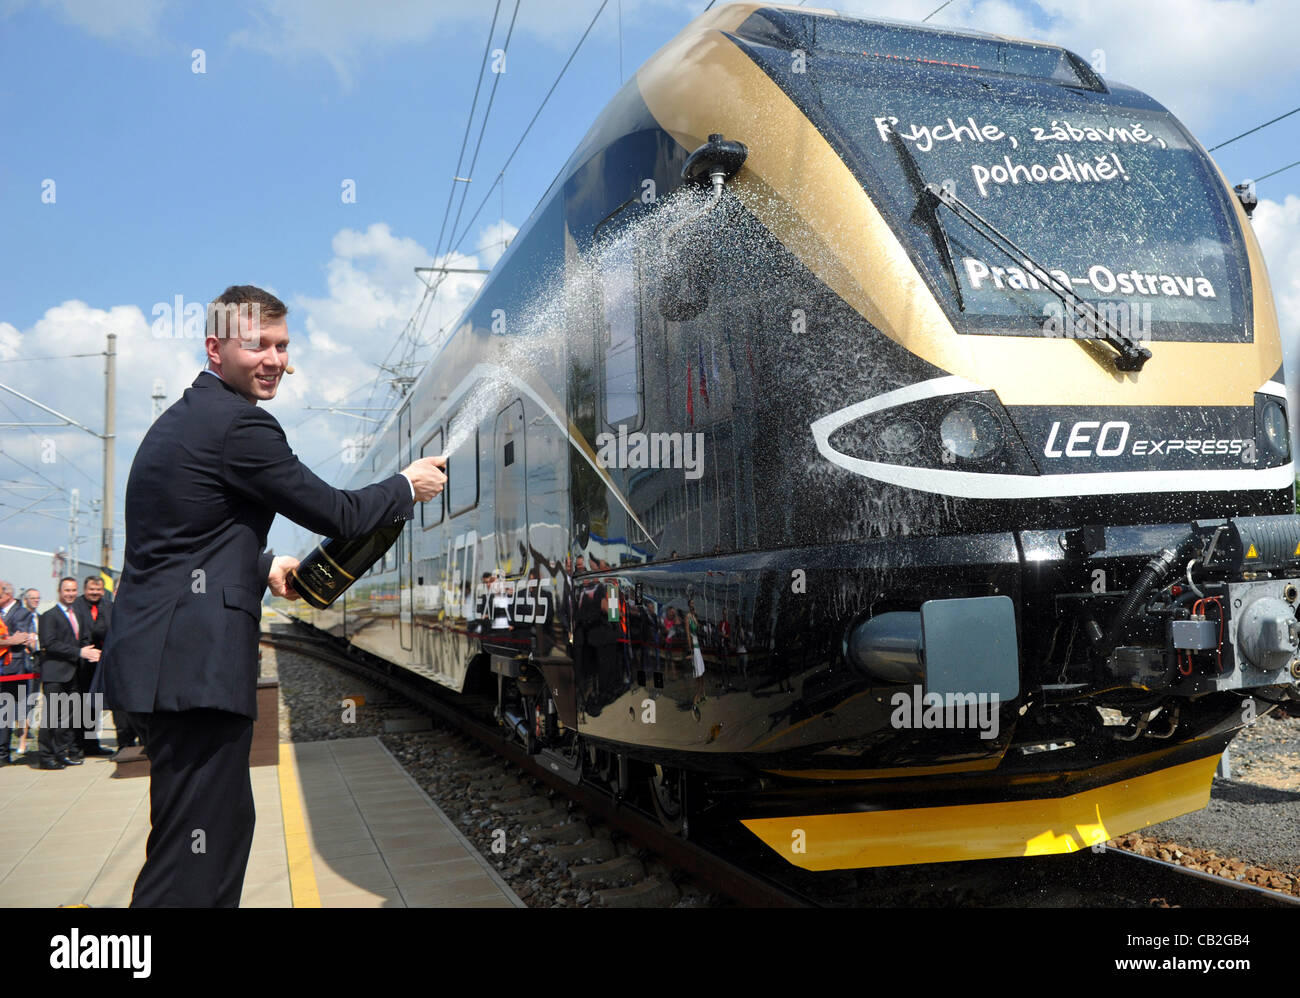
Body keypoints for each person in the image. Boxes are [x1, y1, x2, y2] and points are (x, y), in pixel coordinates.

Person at [97, 285, 446, 908]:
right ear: (215, 347)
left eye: (283, 346)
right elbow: (339, 513)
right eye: (257, 344)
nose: (275, 359)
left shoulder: (185, 419)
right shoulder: (240, 425)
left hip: (166, 664)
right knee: (195, 854)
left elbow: (182, 537)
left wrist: (260, 566)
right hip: (193, 669)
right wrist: (406, 485)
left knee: (206, 835)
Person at [38, 577, 98, 770]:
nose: (70, 594)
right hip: (55, 673)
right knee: (52, 717)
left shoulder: (77, 614)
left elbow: (81, 638)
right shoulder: (49, 615)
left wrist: (89, 651)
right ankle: (46, 756)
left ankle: (61, 753)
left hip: (73, 673)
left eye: (73, 590)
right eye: (67, 590)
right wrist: (79, 652)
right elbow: (49, 643)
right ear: (59, 591)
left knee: (68, 717)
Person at [72, 575, 114, 756]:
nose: (95, 593)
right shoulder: (75, 607)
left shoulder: (108, 606)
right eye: (91, 589)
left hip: (100, 665)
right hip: (78, 665)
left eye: (98, 590)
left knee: (94, 706)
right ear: (84, 589)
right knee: (77, 706)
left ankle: (91, 744)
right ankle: (76, 745)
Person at [0, 581, 37, 764]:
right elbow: (11, 639)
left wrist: (7, 640)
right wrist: (8, 640)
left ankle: (3, 753)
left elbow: (20, 638)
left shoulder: (21, 613)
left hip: (12, 670)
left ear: (6, 595)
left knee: (5, 713)